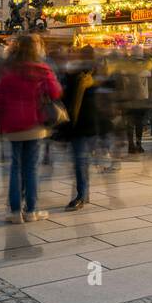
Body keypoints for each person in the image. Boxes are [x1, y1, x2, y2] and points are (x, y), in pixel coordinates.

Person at [0, 34, 62, 222]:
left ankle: (14, 212)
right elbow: (55, 92)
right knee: (32, 168)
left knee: (15, 167)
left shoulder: (9, 71)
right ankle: (31, 210)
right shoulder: (42, 69)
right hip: (35, 124)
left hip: (12, 125)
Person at [60, 46, 101, 210]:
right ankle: (84, 193)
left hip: (83, 124)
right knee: (82, 161)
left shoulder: (83, 76)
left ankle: (82, 195)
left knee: (80, 161)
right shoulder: (81, 75)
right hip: (86, 124)